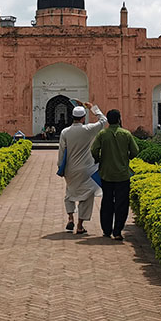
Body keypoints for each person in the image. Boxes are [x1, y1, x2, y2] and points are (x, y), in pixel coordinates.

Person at [57, 100, 107, 235]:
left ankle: (70, 217)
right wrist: (93, 108)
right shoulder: (88, 129)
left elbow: (61, 151)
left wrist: (60, 167)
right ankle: (80, 225)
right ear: (83, 118)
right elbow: (103, 121)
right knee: (87, 195)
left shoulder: (65, 132)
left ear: (72, 117)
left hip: (70, 168)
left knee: (70, 192)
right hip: (87, 169)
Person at [91, 109, 139, 240]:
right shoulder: (126, 134)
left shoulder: (102, 134)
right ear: (119, 119)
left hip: (106, 173)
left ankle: (106, 230)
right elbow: (135, 151)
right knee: (121, 203)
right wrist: (126, 158)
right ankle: (117, 231)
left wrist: (99, 159)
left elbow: (94, 150)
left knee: (107, 201)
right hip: (122, 175)